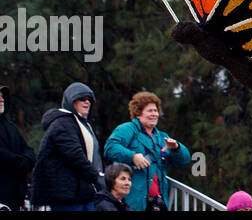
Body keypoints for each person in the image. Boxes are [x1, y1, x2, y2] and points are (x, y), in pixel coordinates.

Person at [104, 91, 191, 212]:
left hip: (159, 203)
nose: (154, 114)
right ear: (138, 114)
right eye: (149, 111)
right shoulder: (127, 129)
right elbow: (110, 148)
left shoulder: (161, 137)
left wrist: (177, 148)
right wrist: (132, 156)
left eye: (156, 111)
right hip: (134, 201)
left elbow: (184, 160)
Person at [30, 82, 104, 211]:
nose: (87, 102)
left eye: (89, 99)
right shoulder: (62, 123)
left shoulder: (83, 124)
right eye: (82, 98)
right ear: (71, 101)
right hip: (67, 195)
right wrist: (97, 177)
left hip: (84, 192)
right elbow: (75, 156)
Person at [0, 84, 36, 210]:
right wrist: (22, 162)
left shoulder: (11, 126)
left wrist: (26, 161)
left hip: (16, 197)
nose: (2, 99)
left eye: (2, 96)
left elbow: (29, 151)